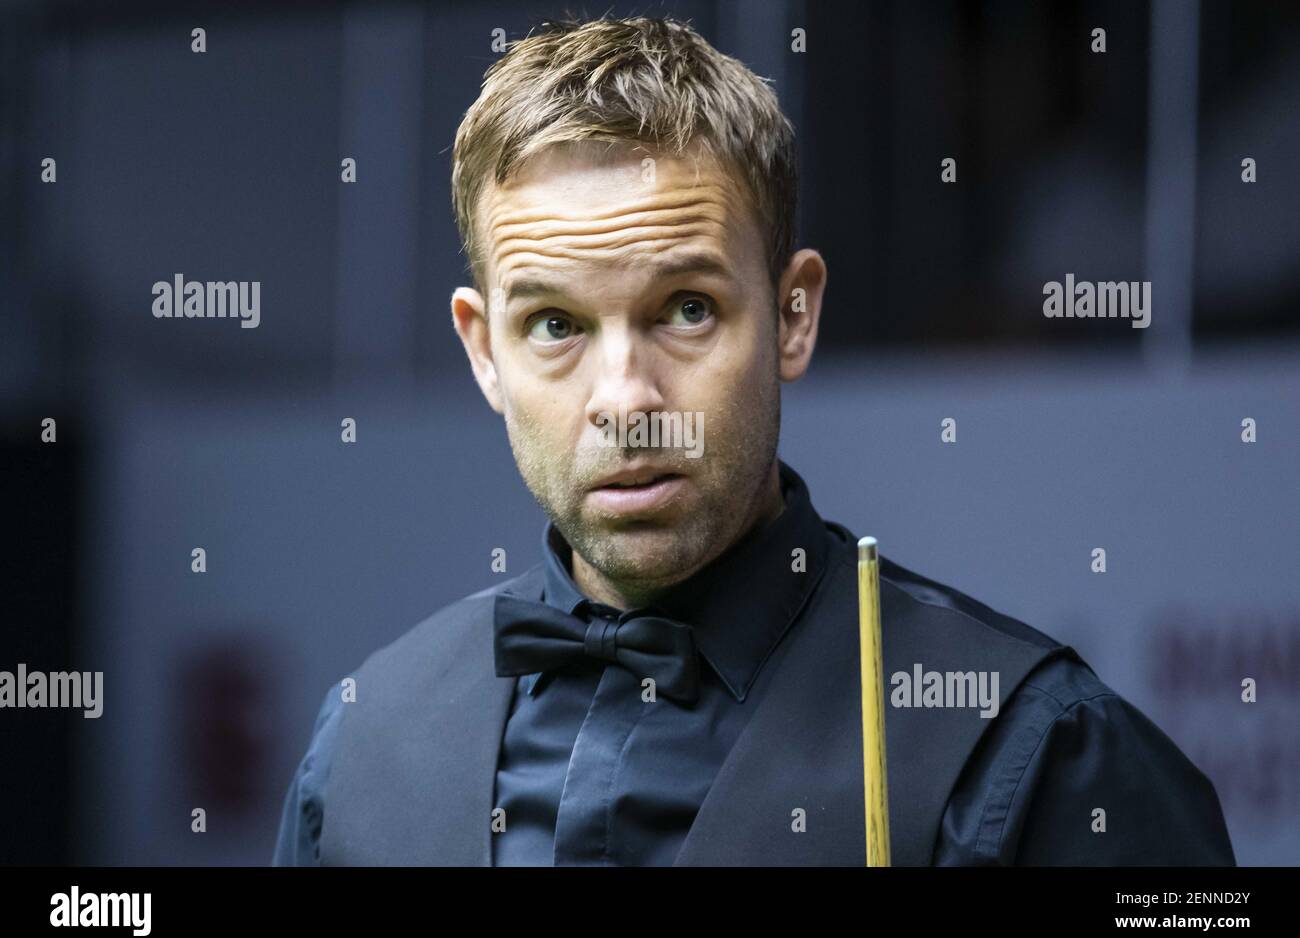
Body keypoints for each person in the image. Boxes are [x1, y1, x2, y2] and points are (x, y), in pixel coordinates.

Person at [273, 16, 1234, 866]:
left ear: (793, 315)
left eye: (685, 309)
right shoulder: (362, 745)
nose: (625, 400)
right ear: (485, 352)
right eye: (556, 325)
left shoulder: (1043, 751)